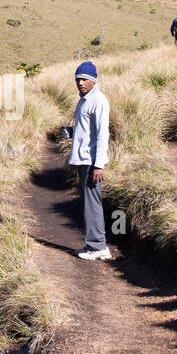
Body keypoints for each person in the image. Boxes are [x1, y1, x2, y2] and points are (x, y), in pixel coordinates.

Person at [69, 60, 110, 260]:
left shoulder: (98, 101)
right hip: (83, 159)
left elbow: (103, 135)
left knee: (92, 203)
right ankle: (93, 244)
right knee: (88, 203)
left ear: (93, 80)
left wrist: (99, 164)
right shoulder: (84, 100)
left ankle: (98, 247)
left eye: (85, 79)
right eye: (78, 79)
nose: (81, 83)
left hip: (91, 161)